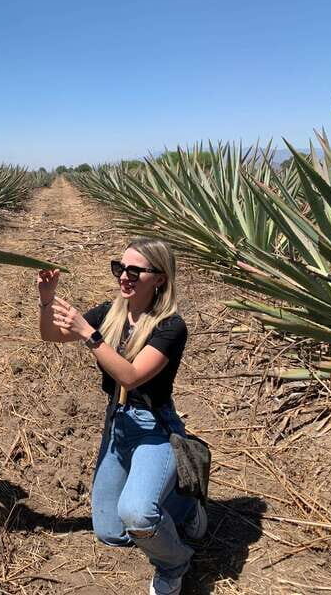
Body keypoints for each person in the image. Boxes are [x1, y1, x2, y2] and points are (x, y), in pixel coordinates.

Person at [36, 238, 206, 595]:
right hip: (118, 424)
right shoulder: (111, 312)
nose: (124, 276)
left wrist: (89, 335)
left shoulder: (170, 327)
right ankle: (173, 502)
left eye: (134, 270)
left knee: (137, 515)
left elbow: (130, 376)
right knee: (112, 532)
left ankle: (176, 556)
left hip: (154, 427)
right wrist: (46, 299)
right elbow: (50, 335)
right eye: (119, 268)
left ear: (159, 278)